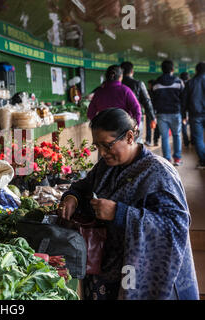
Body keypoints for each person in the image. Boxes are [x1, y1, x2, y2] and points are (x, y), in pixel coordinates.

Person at [58, 108, 199, 300]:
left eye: (107, 145)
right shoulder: (106, 167)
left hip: (144, 272)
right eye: (97, 146)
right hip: (107, 269)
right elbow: (83, 186)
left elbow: (176, 226)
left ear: (130, 137)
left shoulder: (159, 173)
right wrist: (72, 197)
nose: (102, 153)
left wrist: (120, 213)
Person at [152, 60, 185, 166]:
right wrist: (184, 114)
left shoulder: (156, 83)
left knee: (165, 137)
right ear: (172, 69)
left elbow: (154, 99)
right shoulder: (179, 82)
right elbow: (183, 98)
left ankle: (167, 160)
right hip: (175, 112)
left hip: (161, 114)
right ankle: (177, 159)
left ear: (162, 69)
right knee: (176, 135)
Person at [120, 61, 157, 145]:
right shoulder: (138, 84)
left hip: (119, 118)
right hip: (134, 118)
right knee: (136, 143)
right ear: (132, 71)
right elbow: (147, 101)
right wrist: (152, 117)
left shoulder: (118, 84)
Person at [182, 62, 205, 170]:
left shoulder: (191, 83)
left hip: (195, 115)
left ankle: (203, 161)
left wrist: (183, 114)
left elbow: (184, 101)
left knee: (198, 139)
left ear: (196, 70)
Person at [179, 72, 193, 147]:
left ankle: (186, 141)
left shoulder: (179, 84)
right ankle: (193, 140)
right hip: (191, 109)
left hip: (182, 109)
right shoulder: (191, 84)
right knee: (192, 125)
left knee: (183, 126)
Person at [146, 80, 161, 146]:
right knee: (153, 127)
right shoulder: (156, 91)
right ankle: (153, 141)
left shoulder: (150, 92)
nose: (149, 86)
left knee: (153, 127)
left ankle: (151, 141)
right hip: (153, 110)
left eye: (149, 84)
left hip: (152, 110)